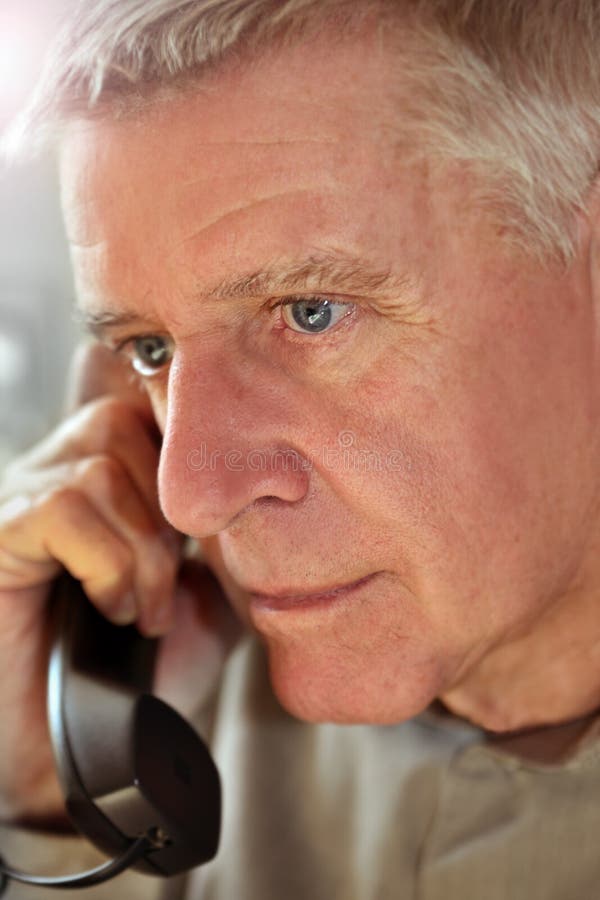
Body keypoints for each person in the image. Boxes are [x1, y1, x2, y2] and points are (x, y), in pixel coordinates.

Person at [1, 0, 600, 896]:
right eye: (150, 349)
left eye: (311, 313)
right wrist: (52, 800)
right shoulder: (158, 734)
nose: (189, 497)